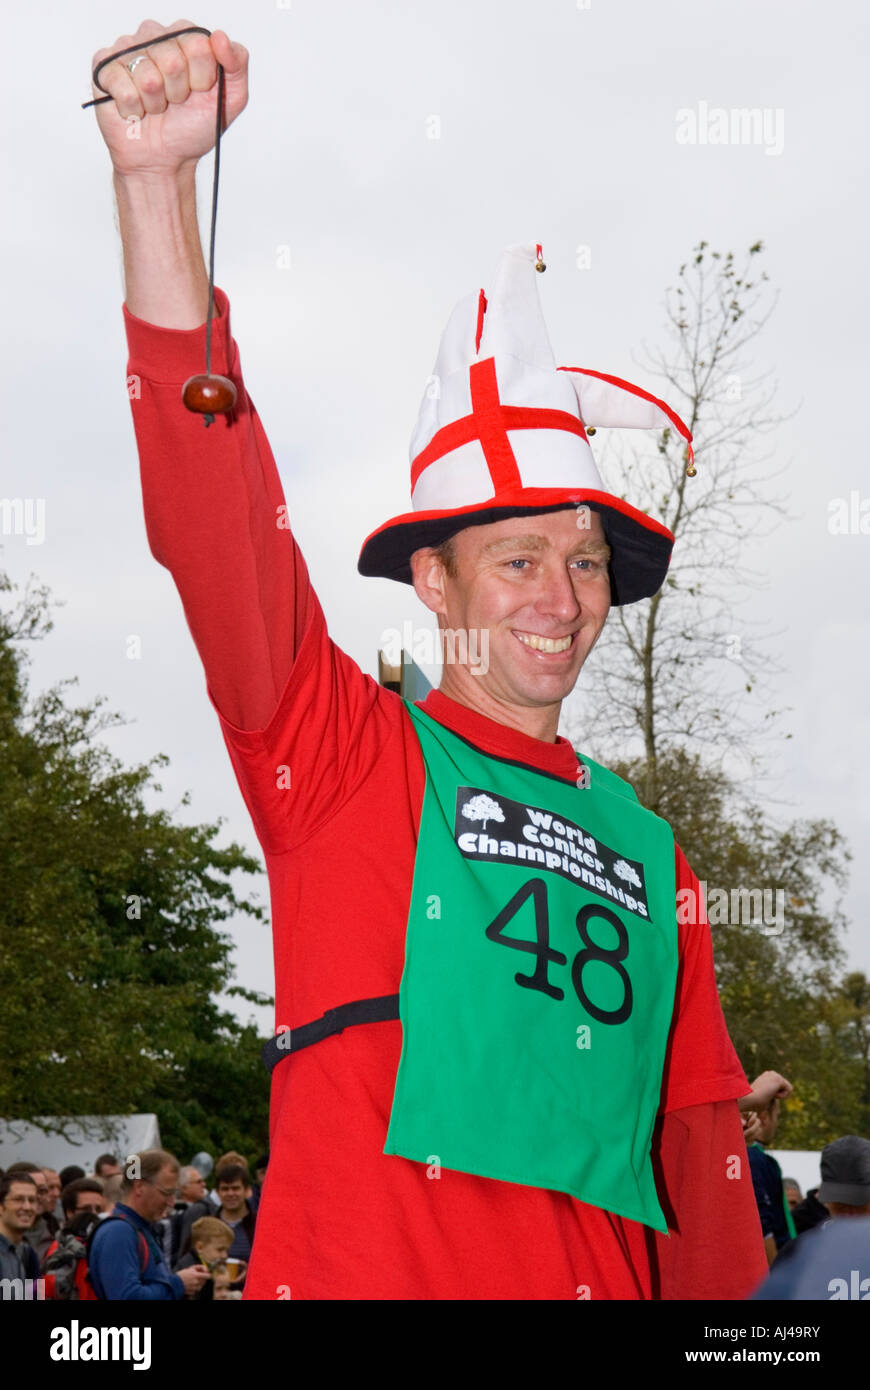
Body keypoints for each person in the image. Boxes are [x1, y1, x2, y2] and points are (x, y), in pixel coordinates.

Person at [89, 18, 768, 1300]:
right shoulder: (343, 755)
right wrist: (158, 185)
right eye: (517, 559)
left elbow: (701, 1157)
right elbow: (216, 520)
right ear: (433, 579)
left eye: (583, 561)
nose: (561, 598)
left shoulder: (653, 851)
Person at [87, 1148, 209, 1300]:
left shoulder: (137, 1227)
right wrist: (178, 1284)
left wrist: (182, 1279)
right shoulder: (119, 1232)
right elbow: (127, 1297)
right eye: (166, 1193)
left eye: (174, 1194)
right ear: (139, 1187)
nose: (171, 1202)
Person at [746, 1097, 795, 1263]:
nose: (777, 1124)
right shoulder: (754, 1159)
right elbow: (762, 1223)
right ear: (765, 1117)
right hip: (775, 1267)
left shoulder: (756, 1158)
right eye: (777, 1116)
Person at [0, 1172, 41, 1291]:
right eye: (18, 1199)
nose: (27, 1207)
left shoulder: (28, 1254)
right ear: (1, 1206)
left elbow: (38, 1296)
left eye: (32, 1200)